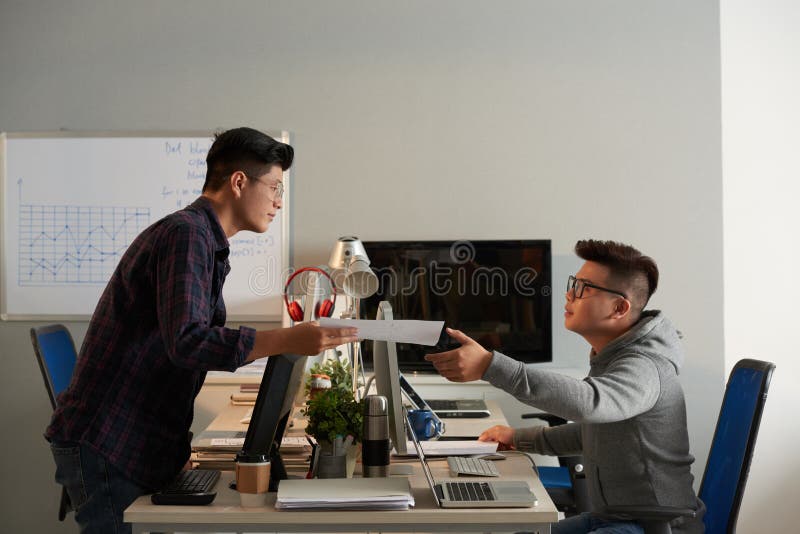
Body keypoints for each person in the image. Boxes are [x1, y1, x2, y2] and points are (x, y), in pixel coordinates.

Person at [45, 127, 358, 533]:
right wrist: (288, 339)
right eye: (275, 187)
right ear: (239, 182)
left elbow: (175, 350)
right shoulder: (186, 234)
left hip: (132, 441)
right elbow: (188, 342)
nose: (279, 202)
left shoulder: (202, 240)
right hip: (108, 441)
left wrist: (173, 453)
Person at [426, 239, 704, 534]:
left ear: (619, 307)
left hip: (654, 525)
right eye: (574, 283)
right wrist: (519, 438)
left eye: (584, 287)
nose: (569, 293)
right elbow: (594, 434)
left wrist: (489, 366)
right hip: (615, 517)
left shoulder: (645, 366)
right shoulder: (613, 358)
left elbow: (589, 404)